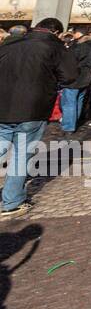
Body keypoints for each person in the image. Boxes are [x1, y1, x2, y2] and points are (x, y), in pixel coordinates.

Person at [0, 17, 77, 217]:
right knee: (21, 154)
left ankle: (11, 200)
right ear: (57, 32)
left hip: (2, 105)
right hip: (33, 107)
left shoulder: (12, 42)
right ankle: (11, 202)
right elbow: (70, 76)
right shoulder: (55, 46)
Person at [59, 31, 91, 133]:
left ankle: (68, 126)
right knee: (79, 100)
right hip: (87, 76)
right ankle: (74, 121)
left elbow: (70, 61)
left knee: (69, 102)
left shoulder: (79, 46)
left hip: (75, 76)